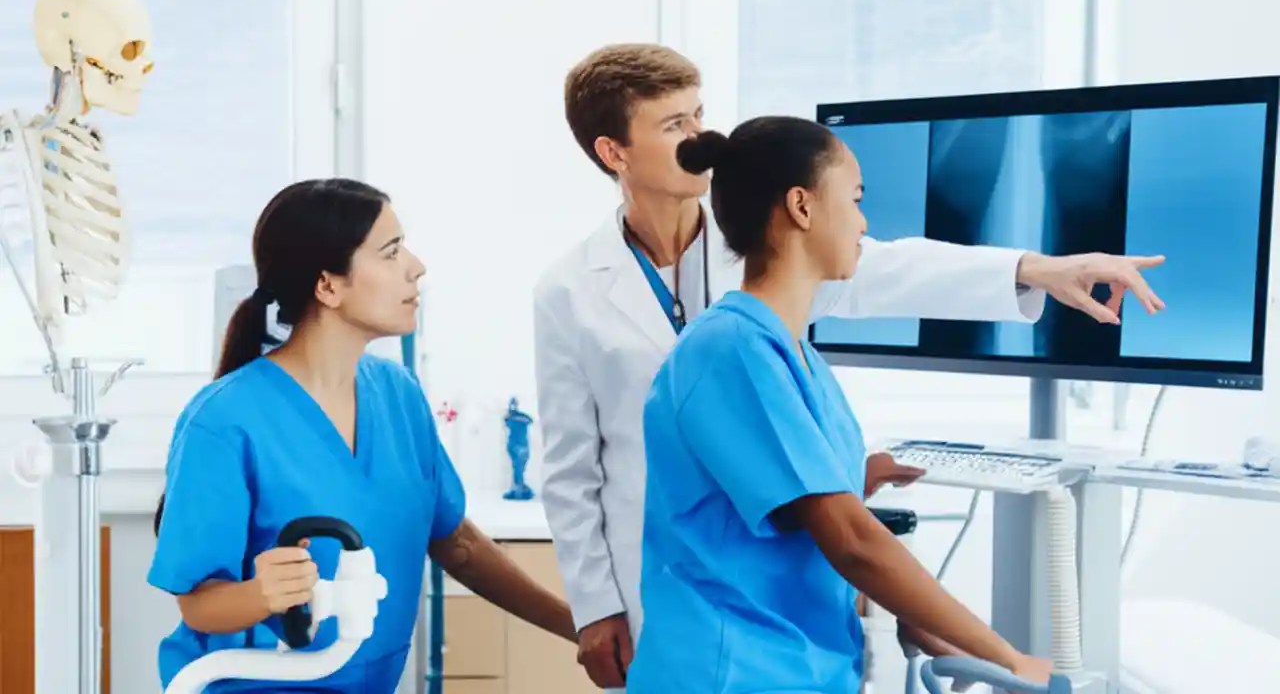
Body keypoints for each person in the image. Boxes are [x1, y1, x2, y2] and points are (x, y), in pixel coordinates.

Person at [533, 43, 1165, 689]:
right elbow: (571, 467)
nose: (700, 137)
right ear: (614, 152)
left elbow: (889, 266)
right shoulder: (590, 296)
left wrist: (1038, 268)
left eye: (699, 116)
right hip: (695, 600)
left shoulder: (777, 320)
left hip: (779, 610)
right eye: (674, 126)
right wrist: (595, 606)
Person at [629, 117, 1054, 692]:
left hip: (802, 666)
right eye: (854, 199)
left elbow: (803, 521)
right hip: (731, 673)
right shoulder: (729, 349)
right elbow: (852, 541)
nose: (863, 222)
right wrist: (1008, 659)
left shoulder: (793, 353)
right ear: (802, 207)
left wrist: (916, 608)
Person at [148, 179, 577, 693]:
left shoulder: (398, 394)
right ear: (328, 285)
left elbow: (456, 542)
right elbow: (197, 603)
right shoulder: (224, 422)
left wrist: (580, 628)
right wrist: (262, 594)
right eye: (391, 252)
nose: (416, 266)